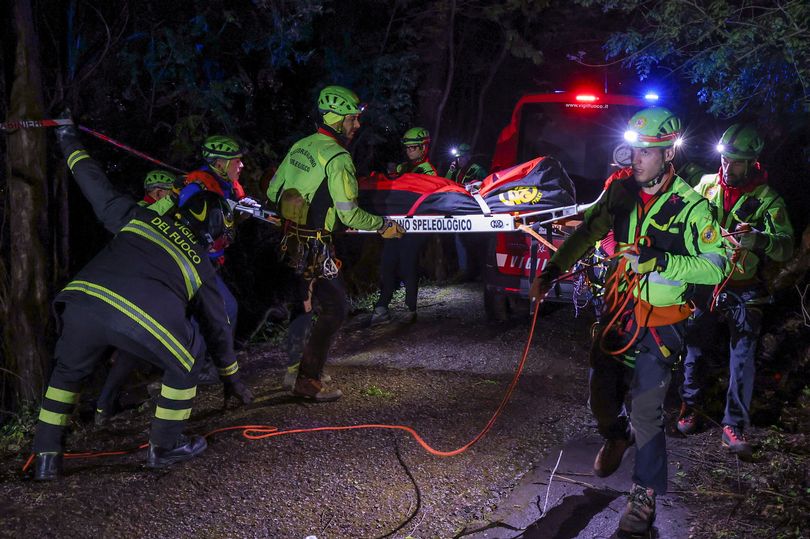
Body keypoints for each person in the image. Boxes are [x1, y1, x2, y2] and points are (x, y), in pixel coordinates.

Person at [530, 107, 727, 534]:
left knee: (647, 409)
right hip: (617, 312)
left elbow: (715, 267)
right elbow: (586, 233)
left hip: (661, 321)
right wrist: (552, 270)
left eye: (644, 152)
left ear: (667, 154)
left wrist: (660, 260)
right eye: (633, 150)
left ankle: (644, 497)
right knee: (600, 394)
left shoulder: (691, 206)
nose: (633, 159)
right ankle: (615, 436)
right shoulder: (619, 192)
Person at [32, 120, 253, 481]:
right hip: (139, 317)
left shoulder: (137, 215)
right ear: (212, 231)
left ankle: (45, 457)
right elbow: (217, 325)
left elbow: (93, 183)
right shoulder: (200, 261)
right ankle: (165, 446)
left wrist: (66, 137)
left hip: (83, 302)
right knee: (189, 356)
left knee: (66, 373)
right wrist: (231, 377)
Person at [267, 84, 404, 401]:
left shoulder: (301, 146)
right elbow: (352, 215)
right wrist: (384, 226)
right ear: (335, 119)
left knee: (303, 305)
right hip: (316, 245)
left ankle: (293, 371)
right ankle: (307, 380)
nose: (356, 126)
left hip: (289, 240)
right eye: (351, 119)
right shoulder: (339, 158)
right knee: (335, 309)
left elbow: (274, 192)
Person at [677, 124, 793, 459]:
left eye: (737, 162)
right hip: (706, 285)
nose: (729, 167)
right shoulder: (706, 185)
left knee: (742, 358)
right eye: (725, 159)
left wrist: (757, 238)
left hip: (744, 289)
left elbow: (785, 247)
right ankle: (690, 407)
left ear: (753, 162)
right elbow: (684, 220)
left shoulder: (768, 199)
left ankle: (734, 426)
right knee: (694, 347)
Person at [445, 143, 488, 280]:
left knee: (476, 242)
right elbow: (445, 183)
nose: (460, 160)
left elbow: (486, 185)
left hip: (474, 210)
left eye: (462, 157)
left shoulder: (477, 169)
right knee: (460, 240)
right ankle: (464, 271)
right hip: (460, 210)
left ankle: (481, 272)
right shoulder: (457, 172)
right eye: (458, 158)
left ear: (469, 156)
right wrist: (451, 171)